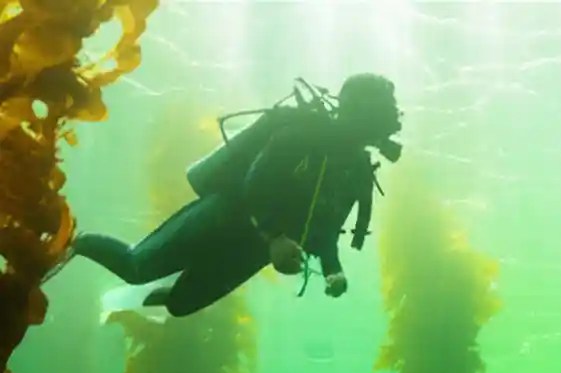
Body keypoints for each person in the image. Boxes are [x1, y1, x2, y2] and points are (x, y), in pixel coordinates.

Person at [53, 73, 402, 317]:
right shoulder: (302, 135)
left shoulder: (356, 171)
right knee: (136, 266)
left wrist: (332, 270)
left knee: (181, 305)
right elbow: (255, 183)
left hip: (252, 252)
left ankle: (136, 301)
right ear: (361, 114)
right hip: (223, 215)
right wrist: (276, 237)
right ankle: (76, 240)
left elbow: (326, 230)